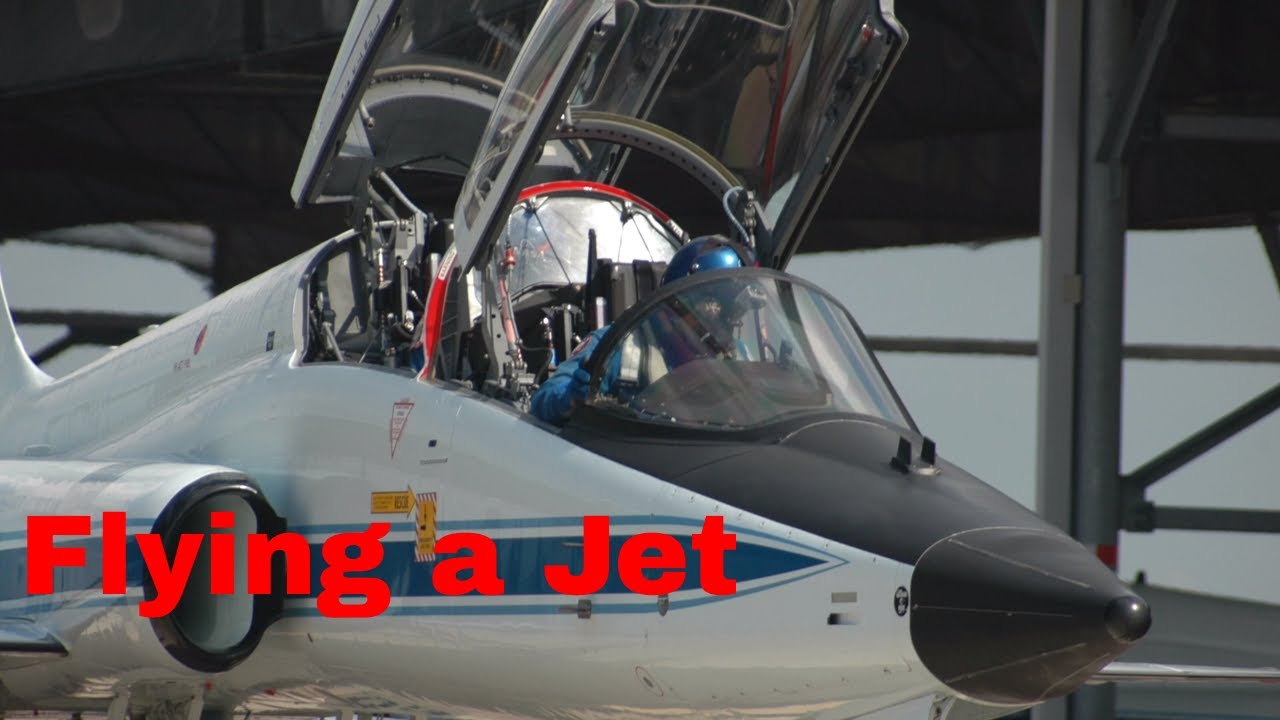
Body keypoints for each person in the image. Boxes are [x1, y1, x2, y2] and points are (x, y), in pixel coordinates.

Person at [530, 235, 755, 424]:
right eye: (714, 313)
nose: (723, 331)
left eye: (729, 319)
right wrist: (571, 398)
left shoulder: (737, 354)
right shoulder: (618, 346)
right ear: (679, 303)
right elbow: (543, 400)